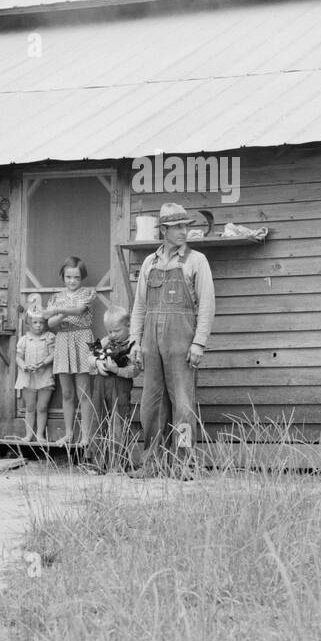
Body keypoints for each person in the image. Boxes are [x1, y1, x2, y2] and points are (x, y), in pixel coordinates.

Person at [130, 203, 216, 478]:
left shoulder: (196, 260)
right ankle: (151, 463)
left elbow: (207, 306)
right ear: (164, 230)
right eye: (178, 227)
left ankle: (183, 463)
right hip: (151, 344)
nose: (184, 231)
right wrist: (134, 341)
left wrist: (199, 343)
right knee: (151, 404)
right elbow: (140, 307)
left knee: (183, 404)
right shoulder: (150, 262)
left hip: (182, 342)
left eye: (186, 226)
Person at [46, 257, 97, 445]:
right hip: (63, 340)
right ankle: (69, 434)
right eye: (68, 277)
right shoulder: (56, 296)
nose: (72, 281)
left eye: (76, 277)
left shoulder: (89, 293)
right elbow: (50, 323)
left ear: (82, 277)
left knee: (83, 393)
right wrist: (62, 313)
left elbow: (79, 310)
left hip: (82, 338)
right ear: (63, 276)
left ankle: (86, 437)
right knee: (67, 393)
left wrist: (59, 312)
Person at [86, 306, 139, 472]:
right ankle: (96, 463)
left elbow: (135, 370)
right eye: (109, 331)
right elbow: (90, 357)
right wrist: (97, 363)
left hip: (120, 388)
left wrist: (117, 370)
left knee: (119, 423)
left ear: (128, 325)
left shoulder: (133, 344)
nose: (112, 335)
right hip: (100, 387)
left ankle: (118, 464)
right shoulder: (105, 341)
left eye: (116, 331)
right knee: (98, 420)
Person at [15, 309, 56, 442]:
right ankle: (28, 434)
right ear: (29, 323)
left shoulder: (49, 337)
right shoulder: (25, 339)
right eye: (35, 322)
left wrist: (43, 363)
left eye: (41, 322)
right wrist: (24, 366)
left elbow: (53, 354)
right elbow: (18, 357)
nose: (38, 325)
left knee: (42, 407)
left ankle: (40, 434)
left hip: (45, 375)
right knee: (30, 407)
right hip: (29, 376)